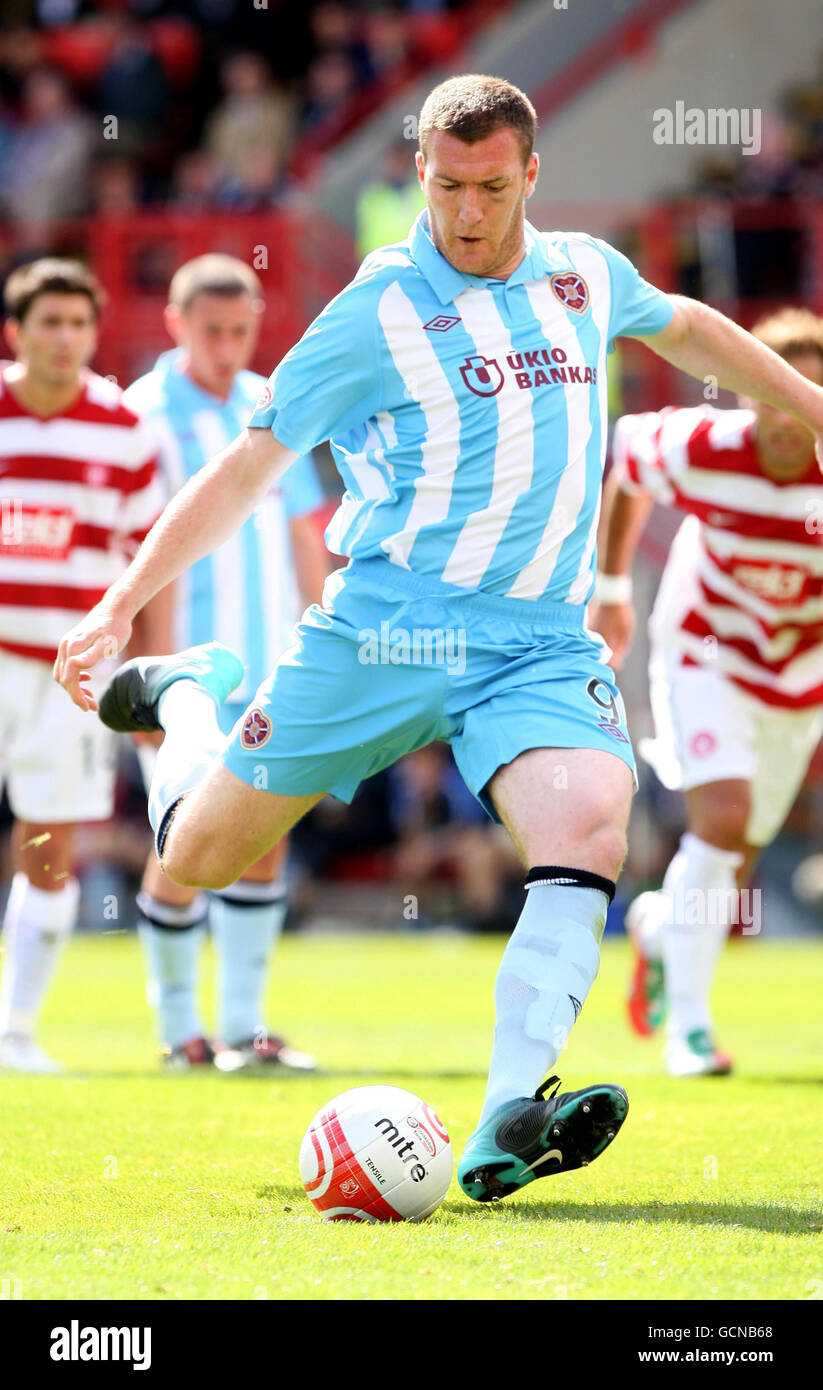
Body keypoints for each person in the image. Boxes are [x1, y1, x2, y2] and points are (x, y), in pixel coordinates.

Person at [55, 75, 823, 1204]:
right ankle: (184, 700)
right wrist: (124, 601)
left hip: (538, 643)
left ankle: (505, 1119)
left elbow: (693, 327)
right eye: (450, 184)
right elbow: (245, 474)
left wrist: (807, 405)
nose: (470, 210)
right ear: (421, 171)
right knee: (198, 859)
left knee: (591, 833)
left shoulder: (579, 273)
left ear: (530, 175)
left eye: (494, 186)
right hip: (385, 630)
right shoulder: (372, 313)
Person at [589, 307, 823, 1077]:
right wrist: (613, 584)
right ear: (751, 394)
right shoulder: (702, 445)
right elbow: (624, 459)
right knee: (719, 821)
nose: (789, 418)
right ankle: (689, 1029)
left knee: (737, 850)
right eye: (774, 397)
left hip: (798, 676)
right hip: (704, 651)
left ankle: (658, 927)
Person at [123, 254, 328, 1071]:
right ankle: (179, 1030)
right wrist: (141, 675)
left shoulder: (265, 406)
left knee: (264, 834)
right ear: (176, 325)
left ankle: (245, 1029)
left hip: (275, 662)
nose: (226, 347)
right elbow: (130, 551)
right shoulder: (141, 416)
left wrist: (323, 629)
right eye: (211, 331)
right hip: (182, 677)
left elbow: (304, 529)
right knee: (184, 840)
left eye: (240, 332)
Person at [0, 258, 166, 1073]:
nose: (65, 340)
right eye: (49, 323)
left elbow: (151, 563)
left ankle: (15, 1034)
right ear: (15, 331)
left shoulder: (125, 430)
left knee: (49, 846)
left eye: (78, 324)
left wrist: (153, 674)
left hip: (72, 677)